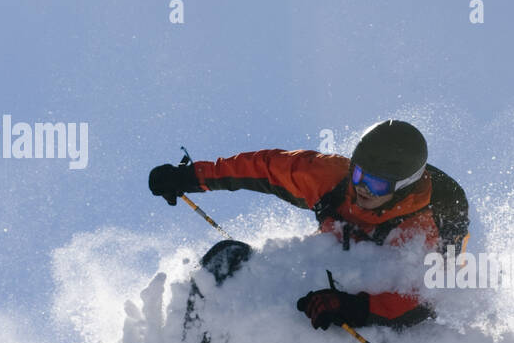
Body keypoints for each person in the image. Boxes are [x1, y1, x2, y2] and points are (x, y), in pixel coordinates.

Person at [148, 120, 468, 330]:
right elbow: (265, 168)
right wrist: (191, 178)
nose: (364, 189)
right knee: (226, 257)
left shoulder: (419, 229)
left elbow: (419, 299)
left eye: (379, 185)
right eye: (360, 175)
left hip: (370, 309)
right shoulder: (332, 177)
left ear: (401, 188)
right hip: (322, 279)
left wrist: (351, 307)